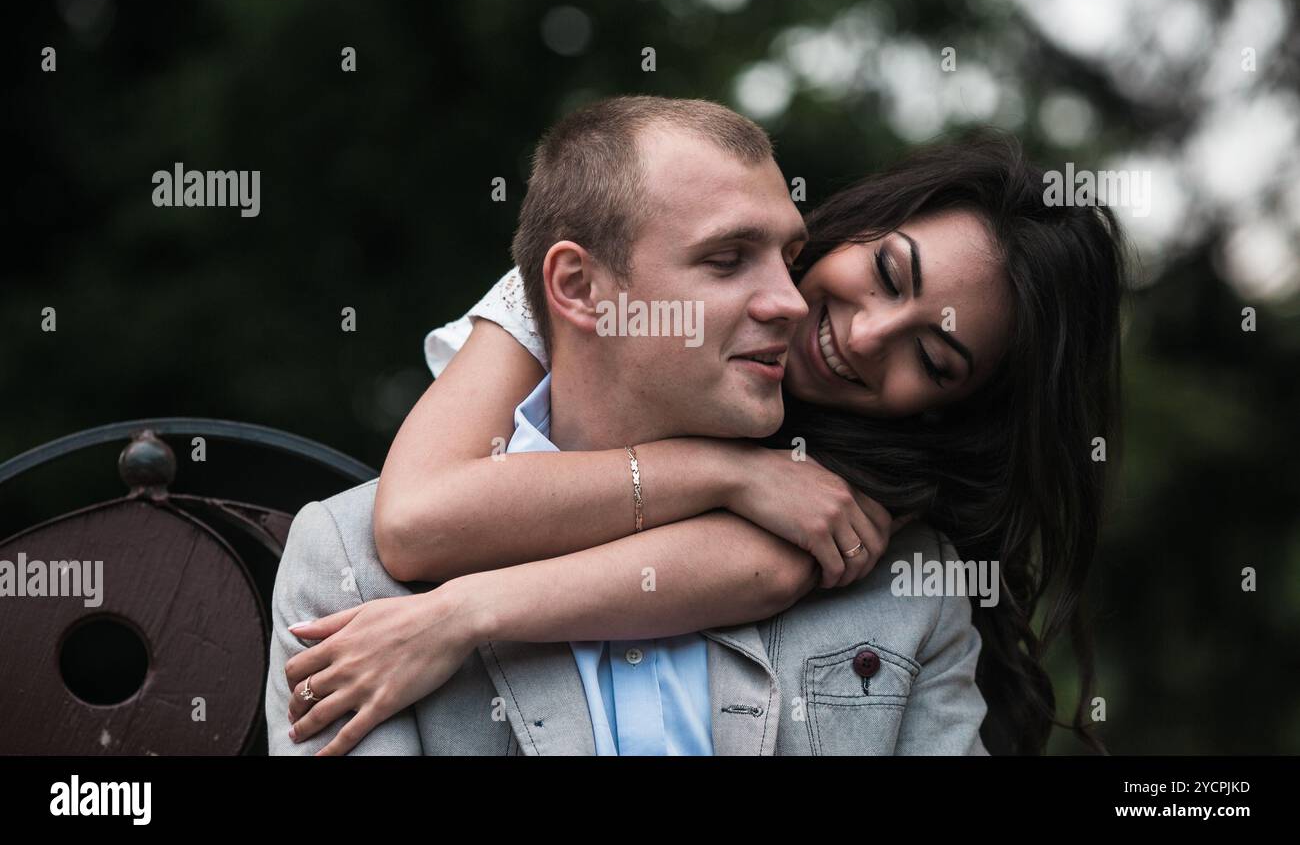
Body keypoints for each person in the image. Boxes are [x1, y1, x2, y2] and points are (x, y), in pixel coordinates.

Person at [268, 96, 1124, 755]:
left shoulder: (878, 513)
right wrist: (731, 474)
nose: (858, 337)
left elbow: (760, 570)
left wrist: (464, 616)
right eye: (888, 275)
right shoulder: (621, 247)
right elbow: (415, 523)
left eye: (934, 363)